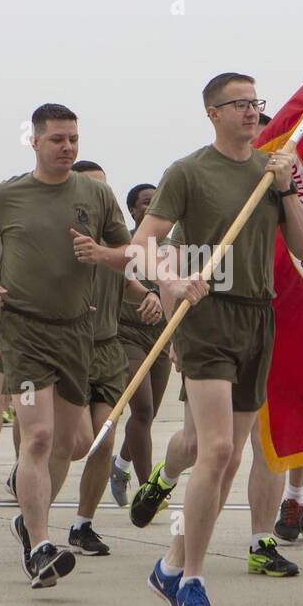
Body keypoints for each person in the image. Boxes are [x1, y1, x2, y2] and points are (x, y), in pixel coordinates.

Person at [124, 73, 303, 606]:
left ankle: (169, 563)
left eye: (257, 103)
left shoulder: (276, 169)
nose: (252, 112)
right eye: (240, 104)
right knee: (215, 451)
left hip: (259, 314)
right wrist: (173, 281)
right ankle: (193, 581)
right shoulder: (189, 172)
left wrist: (285, 190)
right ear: (212, 112)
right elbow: (141, 247)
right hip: (207, 315)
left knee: (230, 454)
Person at [0, 103, 131, 589]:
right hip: (26, 329)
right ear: (34, 142)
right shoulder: (8, 196)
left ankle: (27, 519)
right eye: (57, 139)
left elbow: (132, 252)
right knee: (36, 436)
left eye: (73, 138)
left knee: (76, 443)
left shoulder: (96, 195)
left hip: (78, 331)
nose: (68, 147)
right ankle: (39, 545)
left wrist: (103, 254)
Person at [59, 161, 162, 555]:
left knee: (103, 439)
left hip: (105, 349)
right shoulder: (54, 237)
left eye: (105, 189)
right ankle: (32, 511)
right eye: (91, 188)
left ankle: (82, 525)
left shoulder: (110, 244)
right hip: (62, 348)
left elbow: (129, 280)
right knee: (70, 442)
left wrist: (150, 295)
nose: (100, 196)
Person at [109, 182, 172, 506]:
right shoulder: (123, 245)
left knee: (147, 416)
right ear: (133, 210)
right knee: (142, 408)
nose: (152, 207)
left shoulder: (177, 248)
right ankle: (149, 490)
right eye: (145, 202)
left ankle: (120, 465)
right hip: (127, 335)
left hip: (162, 337)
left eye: (157, 201)